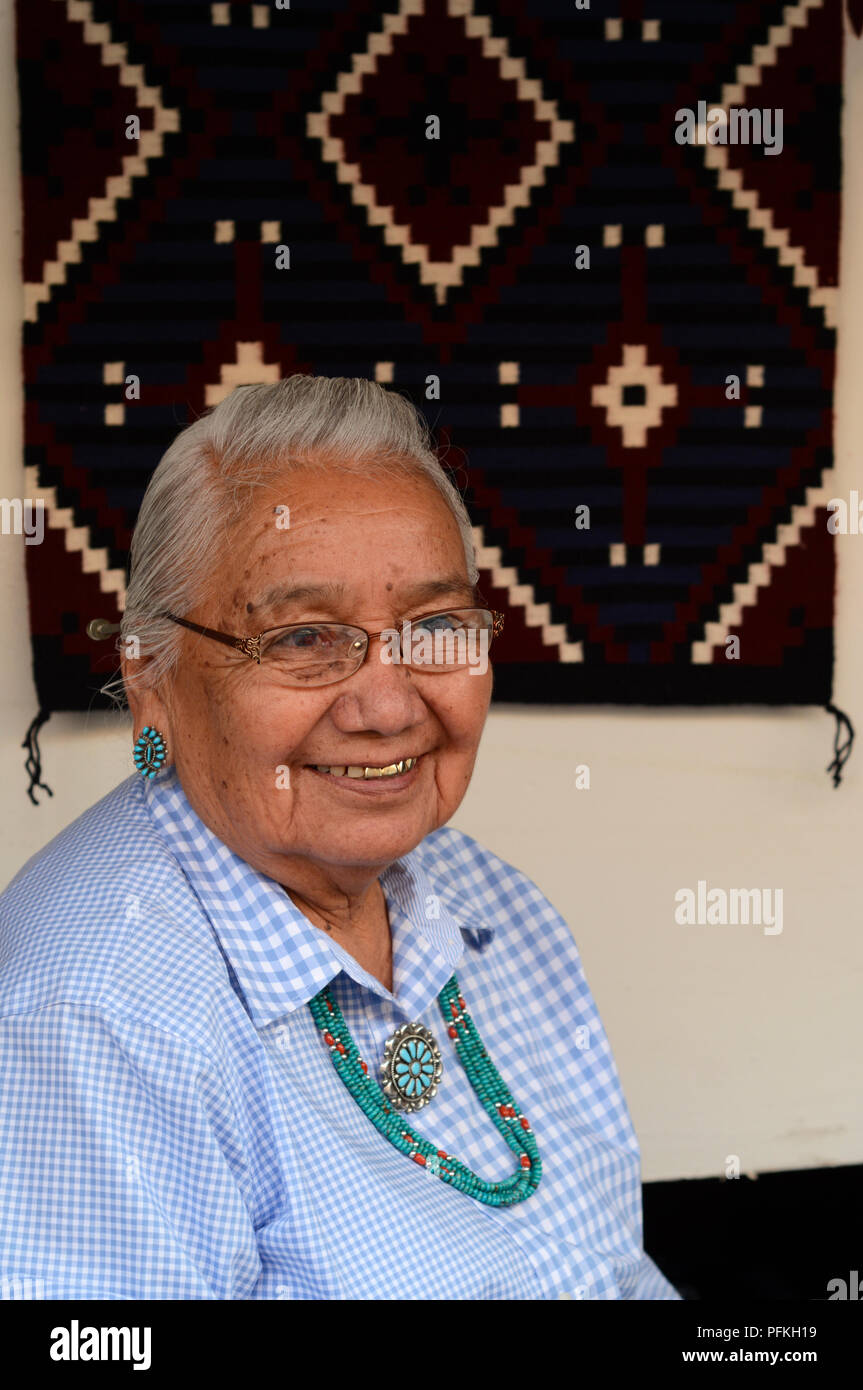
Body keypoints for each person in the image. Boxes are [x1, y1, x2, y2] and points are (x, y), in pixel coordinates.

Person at [0, 375, 679, 1299]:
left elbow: (615, 1275)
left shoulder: (493, 907)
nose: (390, 705)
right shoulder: (99, 1015)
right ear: (153, 680)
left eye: (434, 626)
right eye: (303, 639)